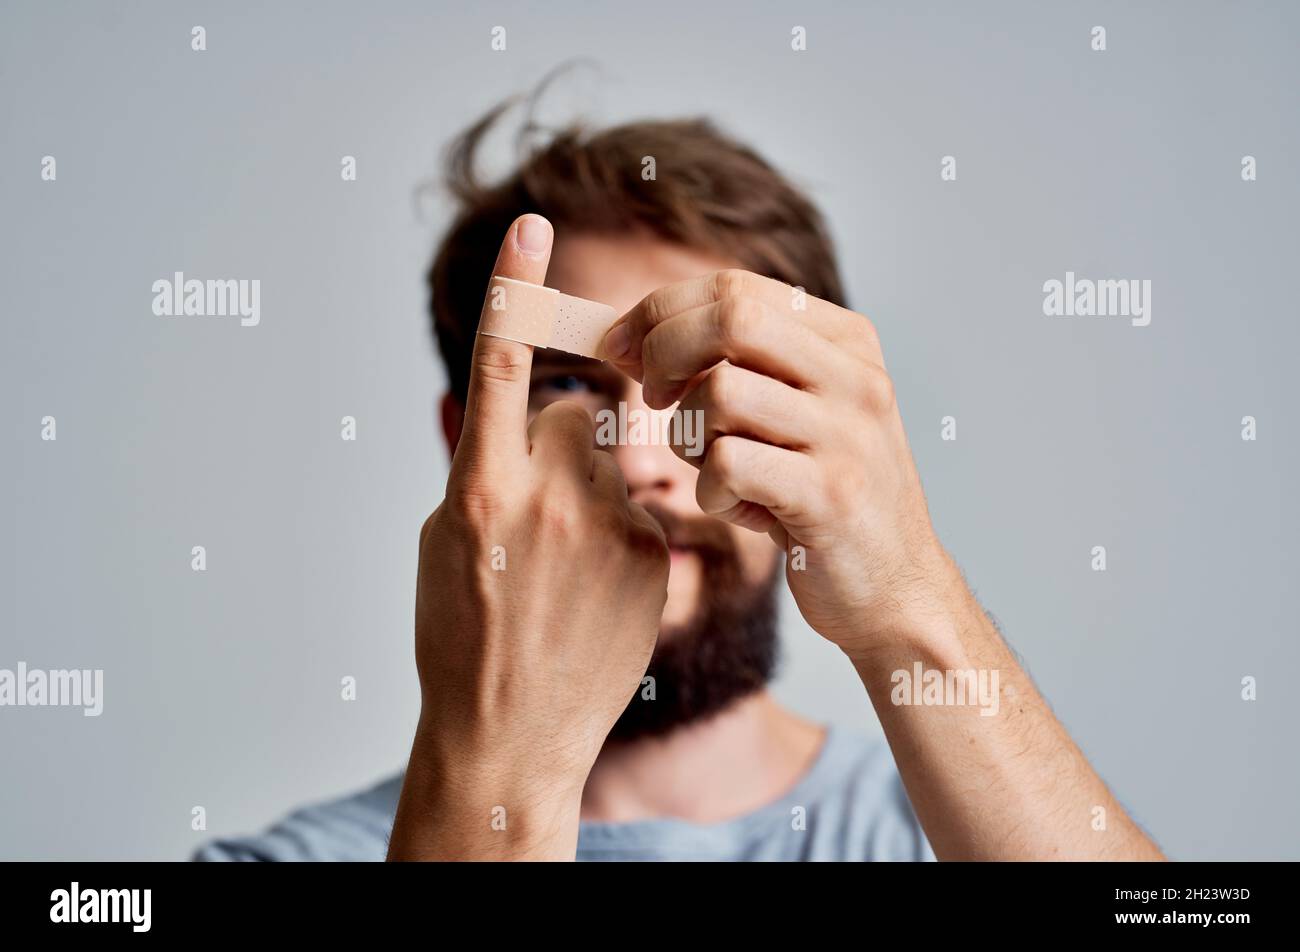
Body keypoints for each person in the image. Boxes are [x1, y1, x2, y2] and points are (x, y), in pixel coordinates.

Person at [197, 97, 1164, 862]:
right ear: (469, 446)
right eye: (569, 385)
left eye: (707, 384)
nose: (641, 459)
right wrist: (493, 785)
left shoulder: (951, 835)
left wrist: (905, 590)